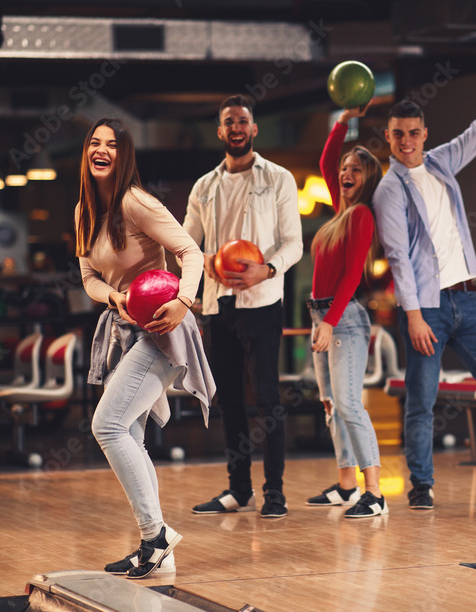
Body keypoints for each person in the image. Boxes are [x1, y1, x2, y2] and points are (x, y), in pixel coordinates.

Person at [371, 55, 476, 511]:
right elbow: (399, 259)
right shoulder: (389, 190)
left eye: (413, 133)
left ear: (424, 134)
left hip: (468, 301)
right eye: (398, 134)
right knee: (422, 400)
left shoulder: (443, 162)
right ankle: (421, 485)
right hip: (426, 309)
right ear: (388, 138)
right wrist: (411, 316)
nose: (406, 141)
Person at [76, 118, 216, 578]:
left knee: (108, 425)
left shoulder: (136, 203)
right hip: (123, 328)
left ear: (124, 154)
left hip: (160, 330)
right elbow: (89, 279)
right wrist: (115, 296)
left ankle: (156, 535)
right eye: (95, 143)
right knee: (130, 435)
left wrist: (183, 301)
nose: (101, 150)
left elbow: (191, 252)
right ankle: (154, 549)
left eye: (111, 145)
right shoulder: (84, 211)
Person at [183, 95, 303, 519]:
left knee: (268, 398)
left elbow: (294, 243)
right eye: (229, 121)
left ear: (254, 129)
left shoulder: (279, 178)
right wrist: (190, 290)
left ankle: (275, 493)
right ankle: (238, 489)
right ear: (220, 131)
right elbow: (186, 245)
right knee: (230, 399)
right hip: (218, 304)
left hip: (263, 301)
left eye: (243, 121)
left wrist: (265, 271)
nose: (236, 127)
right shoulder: (204, 186)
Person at [305, 104, 387, 519]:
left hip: (344, 319)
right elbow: (325, 158)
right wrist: (342, 119)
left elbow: (353, 274)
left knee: (350, 404)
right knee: (331, 404)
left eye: (356, 169)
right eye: (344, 167)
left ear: (367, 177)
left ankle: (375, 493)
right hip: (322, 316)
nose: (345, 172)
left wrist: (330, 322)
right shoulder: (340, 209)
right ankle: (346, 485)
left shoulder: (361, 215)